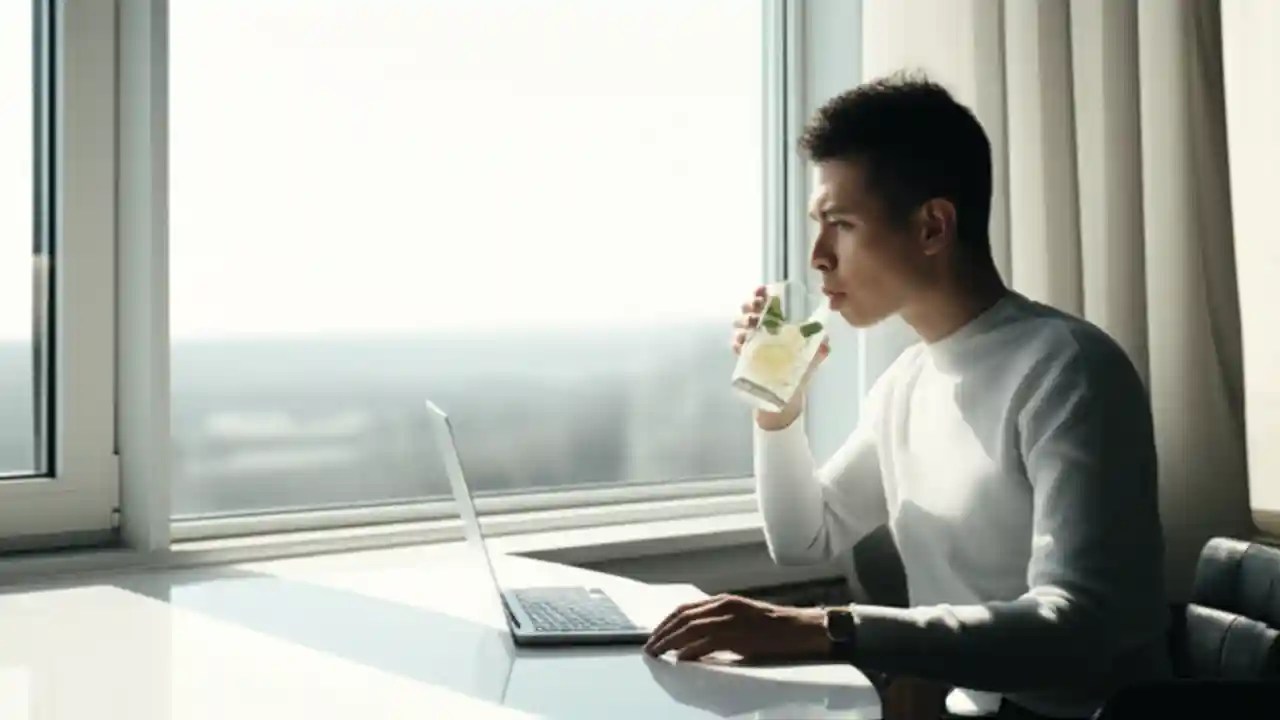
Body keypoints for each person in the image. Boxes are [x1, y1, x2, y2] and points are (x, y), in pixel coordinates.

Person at [643, 72, 1171, 720]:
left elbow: (1075, 630)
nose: (817, 256)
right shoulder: (906, 382)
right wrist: (779, 412)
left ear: (931, 227)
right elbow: (804, 541)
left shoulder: (1069, 369)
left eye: (840, 224)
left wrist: (829, 628)